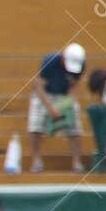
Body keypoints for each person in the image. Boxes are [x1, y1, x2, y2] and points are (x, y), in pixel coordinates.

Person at [28, 42, 84, 173]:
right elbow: (38, 85)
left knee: (75, 126)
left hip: (64, 95)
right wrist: (51, 109)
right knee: (35, 123)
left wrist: (67, 103)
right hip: (45, 93)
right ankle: (36, 159)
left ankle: (77, 161)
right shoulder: (50, 61)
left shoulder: (80, 65)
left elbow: (74, 85)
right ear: (63, 57)